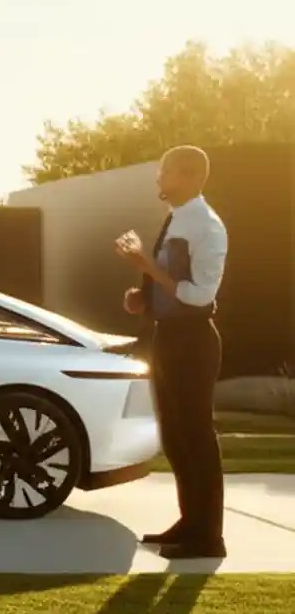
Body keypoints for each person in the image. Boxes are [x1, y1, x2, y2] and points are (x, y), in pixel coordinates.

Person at [115, 144, 229, 560]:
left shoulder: (208, 226)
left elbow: (199, 296)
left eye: (165, 172)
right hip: (167, 337)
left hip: (194, 340)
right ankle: (190, 523)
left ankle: (209, 538)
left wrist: (147, 268)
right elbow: (168, 285)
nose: (159, 178)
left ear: (188, 176)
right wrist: (142, 297)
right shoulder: (176, 219)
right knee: (177, 436)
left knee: (197, 435)